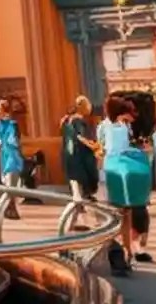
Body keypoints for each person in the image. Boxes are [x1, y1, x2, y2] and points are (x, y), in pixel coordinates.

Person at [97, 95, 153, 275]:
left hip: (118, 174)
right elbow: (106, 150)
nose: (130, 120)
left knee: (124, 214)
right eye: (127, 115)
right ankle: (117, 253)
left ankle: (127, 251)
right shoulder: (108, 127)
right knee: (116, 215)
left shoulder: (121, 127)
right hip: (112, 175)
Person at [60, 96, 100, 231]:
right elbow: (80, 137)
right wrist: (93, 146)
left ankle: (73, 223)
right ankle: (87, 222)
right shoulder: (78, 121)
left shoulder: (67, 120)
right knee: (81, 193)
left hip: (69, 157)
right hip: (79, 158)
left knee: (77, 193)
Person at [0, 99, 24, 220]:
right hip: (8, 155)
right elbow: (13, 140)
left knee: (9, 183)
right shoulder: (6, 123)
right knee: (10, 183)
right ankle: (8, 207)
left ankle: (8, 207)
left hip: (6, 155)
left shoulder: (2, 122)